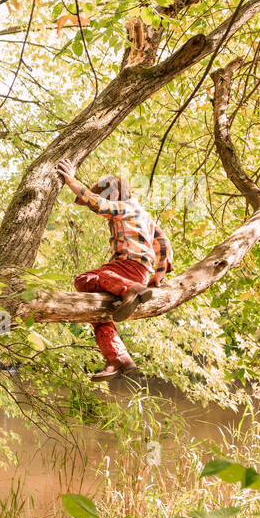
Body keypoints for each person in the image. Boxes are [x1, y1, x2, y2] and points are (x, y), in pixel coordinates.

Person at [56, 158, 173, 381]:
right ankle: (118, 357)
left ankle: (131, 290)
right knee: (93, 299)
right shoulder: (145, 216)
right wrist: (159, 273)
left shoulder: (124, 208)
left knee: (89, 278)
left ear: (115, 194)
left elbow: (98, 205)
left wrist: (70, 180)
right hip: (139, 270)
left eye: (106, 196)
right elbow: (163, 241)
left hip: (128, 267)